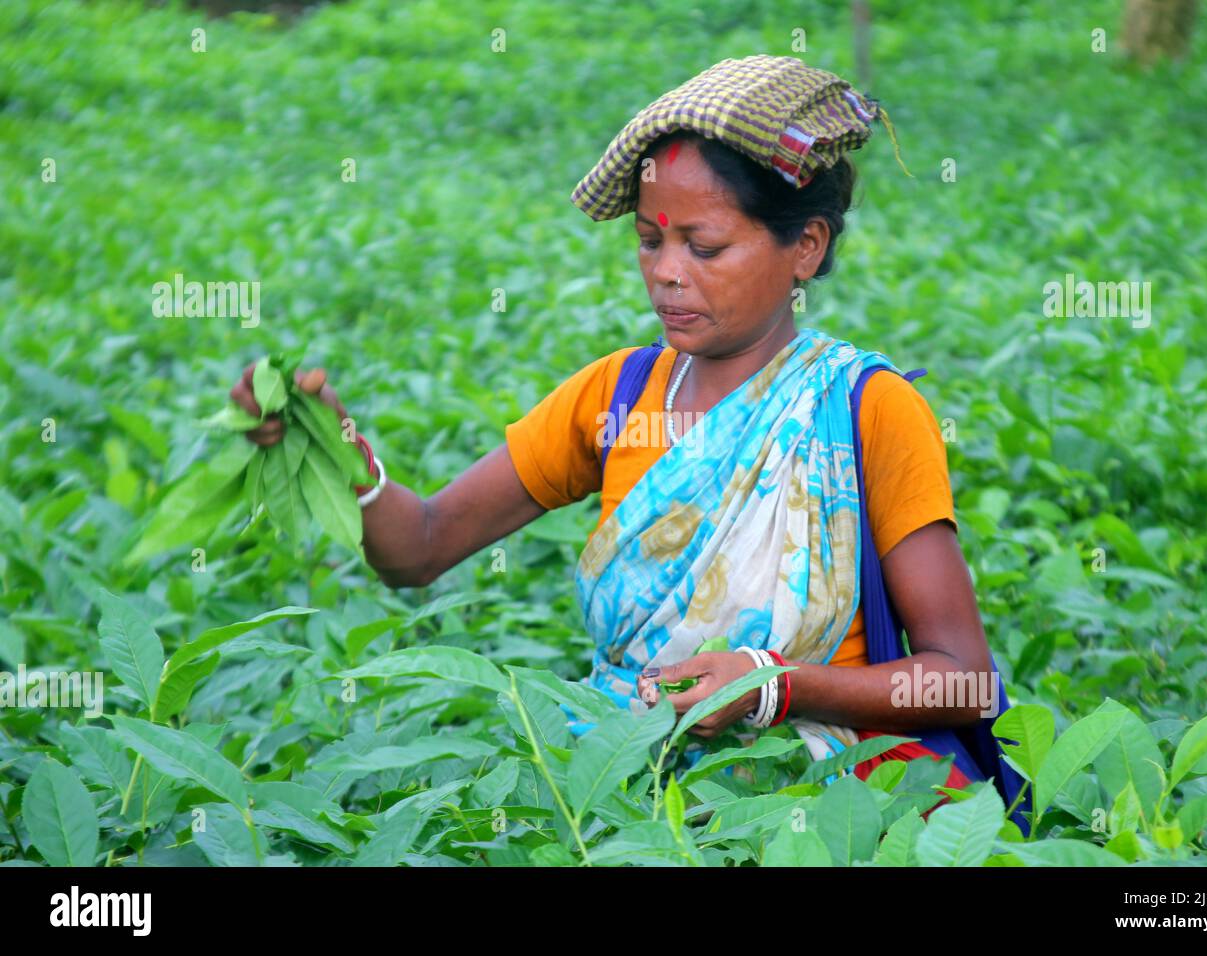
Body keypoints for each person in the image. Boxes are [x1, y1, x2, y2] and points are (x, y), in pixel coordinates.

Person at [230, 55, 1003, 805]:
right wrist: (339, 455)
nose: (667, 272)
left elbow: (963, 677)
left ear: (805, 247)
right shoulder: (617, 396)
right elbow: (421, 548)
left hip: (824, 806)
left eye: (704, 247)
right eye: (649, 241)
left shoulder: (865, 409)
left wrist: (778, 688)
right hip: (619, 788)